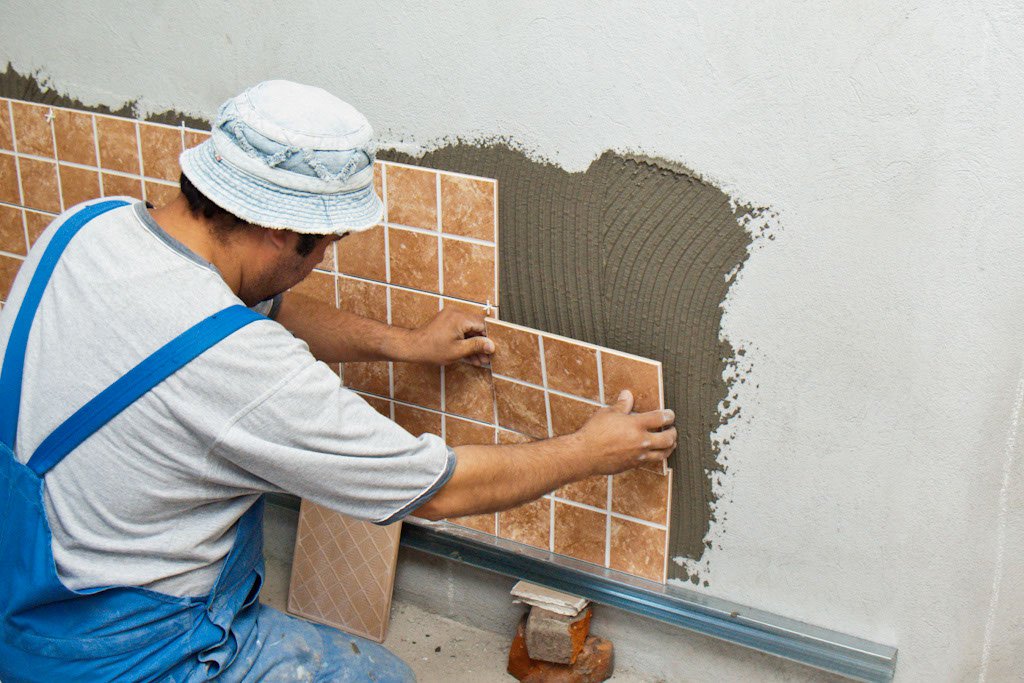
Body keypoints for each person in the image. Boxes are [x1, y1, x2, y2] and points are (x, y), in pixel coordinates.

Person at [0, 80, 677, 682]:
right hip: (121, 651)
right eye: (323, 240)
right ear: (274, 229)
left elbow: (265, 305)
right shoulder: (244, 370)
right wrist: (590, 451)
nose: (325, 256)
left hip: (23, 587)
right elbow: (439, 489)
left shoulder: (89, 227)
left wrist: (405, 345)